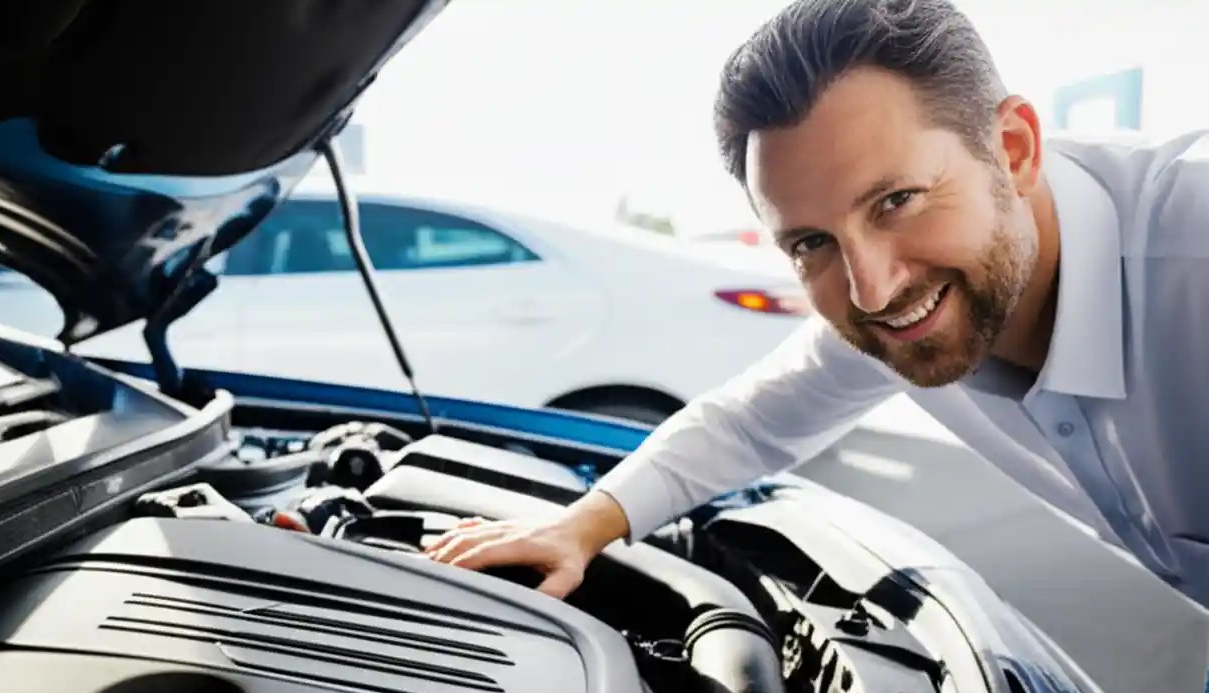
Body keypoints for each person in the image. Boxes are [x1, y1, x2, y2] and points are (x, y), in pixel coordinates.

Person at [425, 0, 1209, 618]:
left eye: (897, 200)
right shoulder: (912, 298)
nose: (873, 291)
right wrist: (581, 523)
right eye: (809, 244)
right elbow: (751, 421)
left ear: (1013, 149)